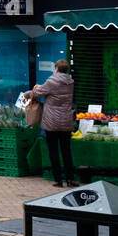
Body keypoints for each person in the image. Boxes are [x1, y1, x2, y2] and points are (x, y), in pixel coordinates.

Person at [31, 58, 77, 187]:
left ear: (56, 68)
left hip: (52, 121)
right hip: (66, 121)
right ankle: (70, 178)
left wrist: (29, 93)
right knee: (66, 150)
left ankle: (58, 180)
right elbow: (54, 91)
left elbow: (37, 94)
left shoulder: (51, 81)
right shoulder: (70, 82)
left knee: (53, 150)